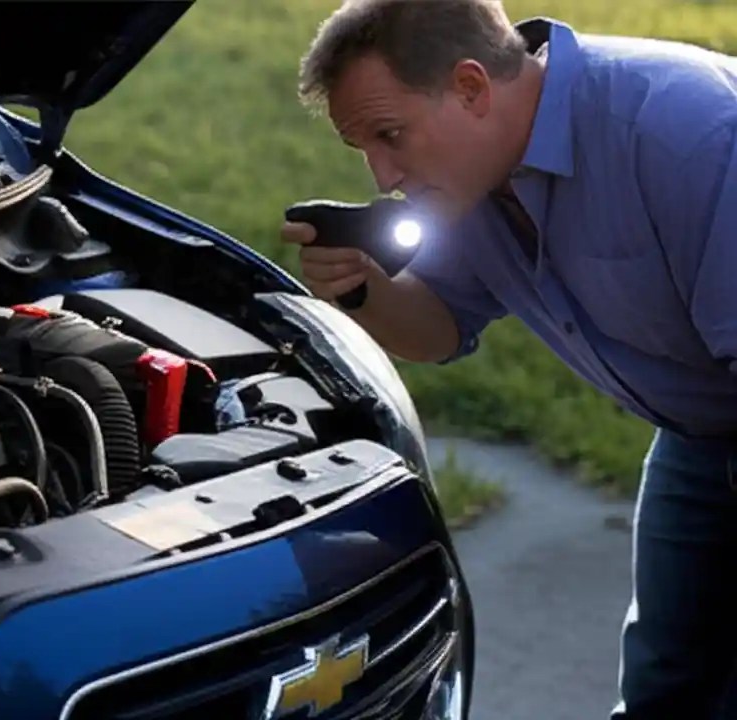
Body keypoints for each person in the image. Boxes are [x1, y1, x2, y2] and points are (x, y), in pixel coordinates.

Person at [284, 0, 737, 718]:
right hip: (700, 429)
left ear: (470, 86)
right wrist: (362, 290)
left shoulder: (685, 133)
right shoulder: (476, 176)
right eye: (363, 148)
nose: (383, 176)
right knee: (664, 687)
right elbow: (439, 330)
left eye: (390, 136)